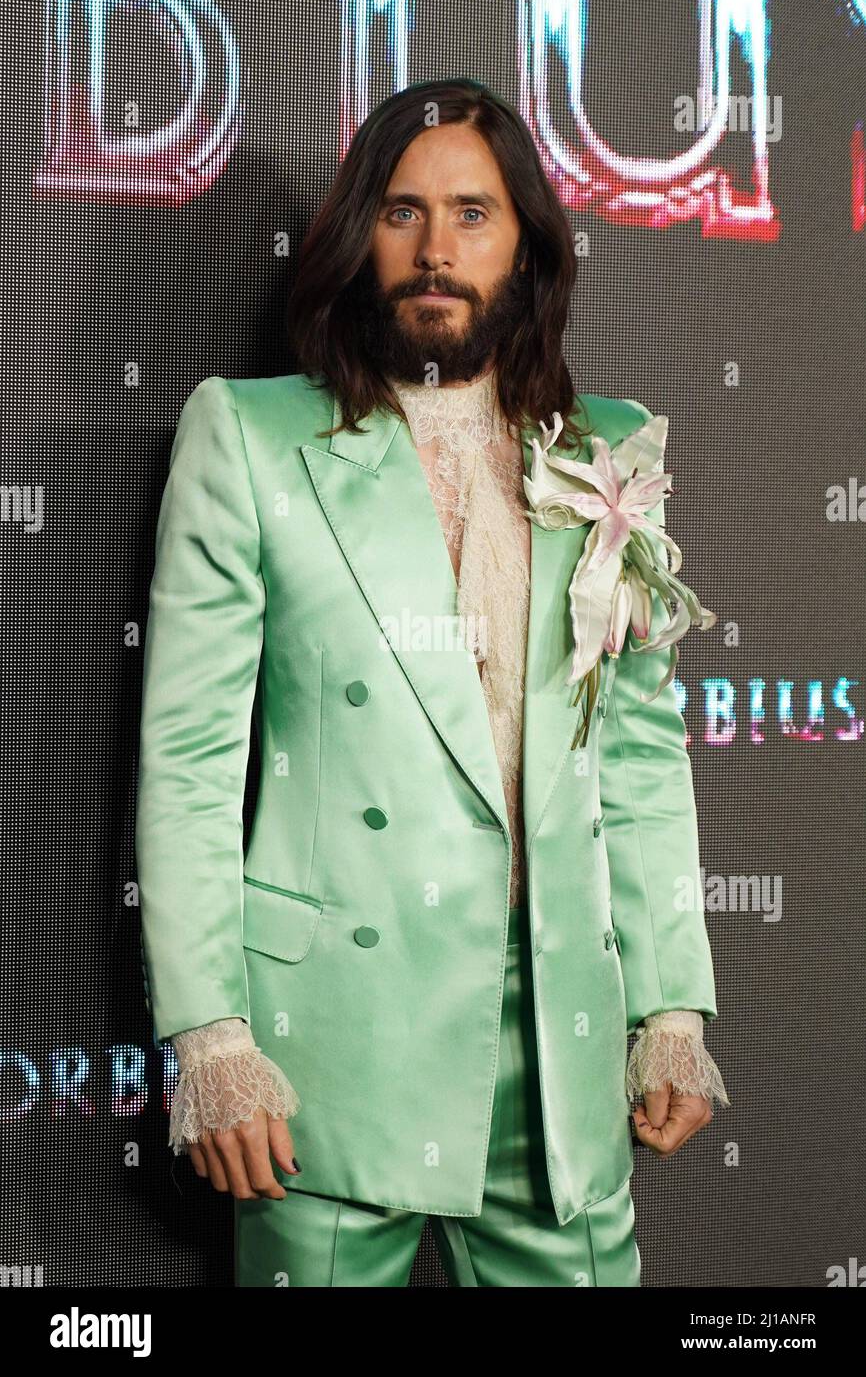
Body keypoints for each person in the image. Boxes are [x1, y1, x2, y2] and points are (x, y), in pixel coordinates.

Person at [135, 76, 729, 1288]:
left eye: (472, 213)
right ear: (360, 240)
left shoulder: (604, 450)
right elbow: (191, 761)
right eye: (402, 214)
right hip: (328, 1053)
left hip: (556, 1060)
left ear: (526, 244)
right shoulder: (249, 438)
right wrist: (214, 1036)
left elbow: (636, 754)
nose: (435, 250)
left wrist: (669, 1007)